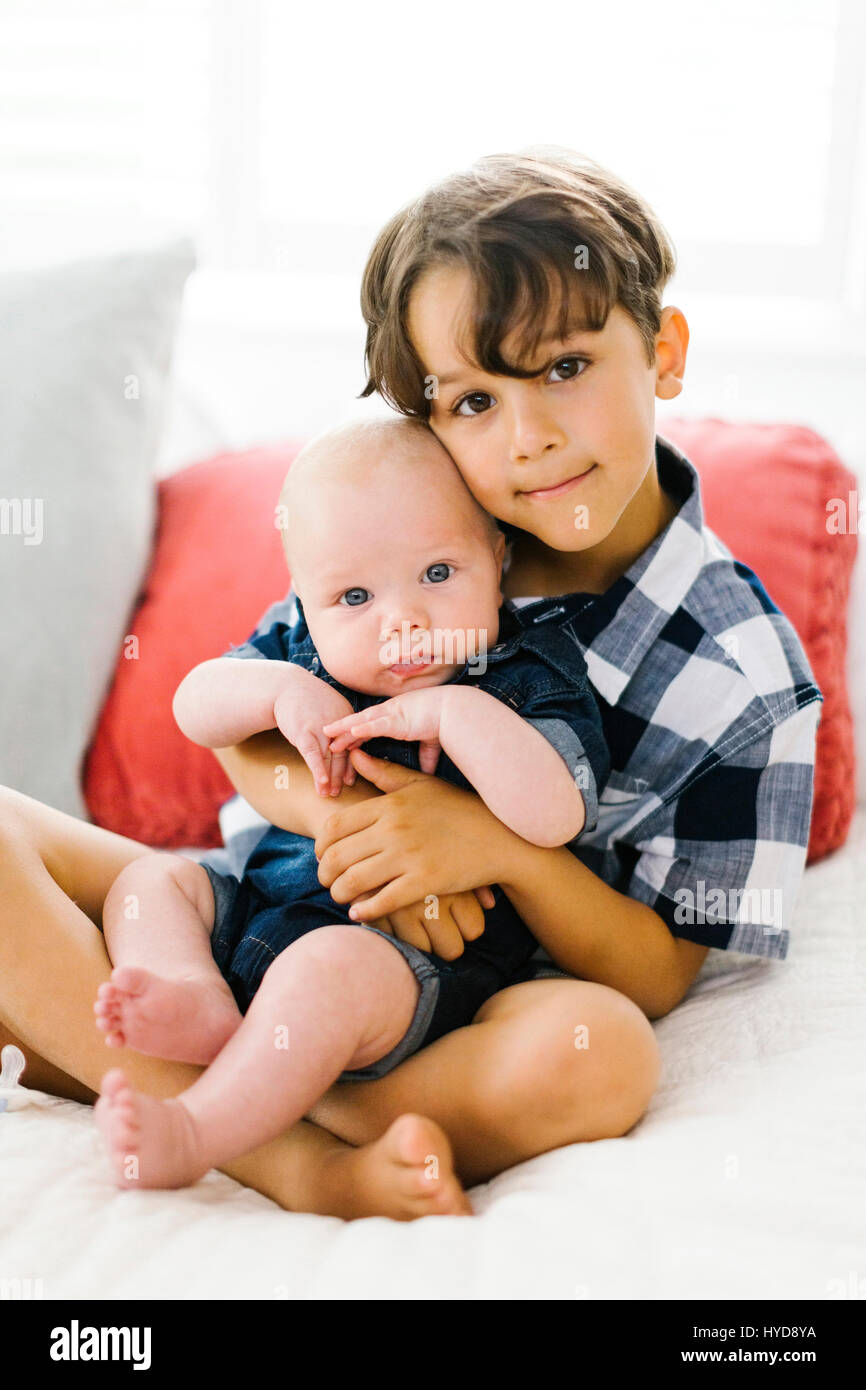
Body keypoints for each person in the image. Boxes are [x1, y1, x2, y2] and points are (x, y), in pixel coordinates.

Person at [0, 147, 820, 1221]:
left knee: (604, 1059)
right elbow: (249, 716)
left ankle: (242, 1098)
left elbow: (662, 969)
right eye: (473, 401)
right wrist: (350, 821)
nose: (527, 438)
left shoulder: (745, 674)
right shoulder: (417, 534)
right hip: (268, 897)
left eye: (564, 367)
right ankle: (283, 1131)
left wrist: (484, 851)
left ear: (660, 349)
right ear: (424, 421)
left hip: (448, 995)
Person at [91, 416, 609, 1193]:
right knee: (151, 885)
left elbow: (555, 815)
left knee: (325, 973)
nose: (403, 622)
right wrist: (282, 687)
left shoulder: (526, 671)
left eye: (438, 574)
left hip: (396, 963)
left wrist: (457, 716)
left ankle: (197, 1130)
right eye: (355, 596)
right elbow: (193, 705)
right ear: (304, 600)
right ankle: (196, 994)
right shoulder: (301, 646)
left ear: (498, 558)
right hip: (260, 899)